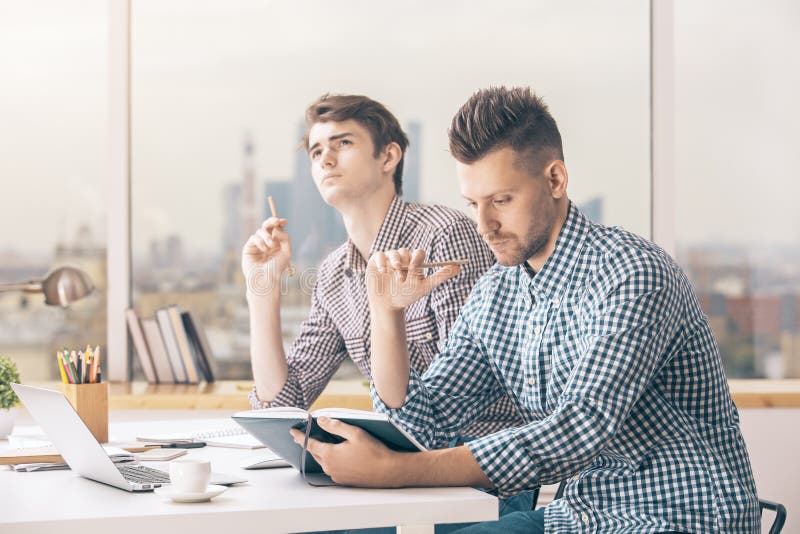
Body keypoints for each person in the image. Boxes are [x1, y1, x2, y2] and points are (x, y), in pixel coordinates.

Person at [290, 87, 761, 533]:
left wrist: (395, 471)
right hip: (577, 517)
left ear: (555, 179)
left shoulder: (632, 272)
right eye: (473, 204)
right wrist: (386, 313)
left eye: (501, 200)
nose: (485, 225)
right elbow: (422, 421)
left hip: (681, 516)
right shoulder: (497, 293)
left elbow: (577, 430)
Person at [242, 93, 523, 444]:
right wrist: (262, 289)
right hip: (407, 455)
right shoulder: (333, 274)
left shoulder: (444, 235)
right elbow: (283, 405)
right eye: (316, 152)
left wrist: (382, 460)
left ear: (388, 157)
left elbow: (470, 389)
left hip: (481, 457)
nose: (325, 159)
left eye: (342, 143)